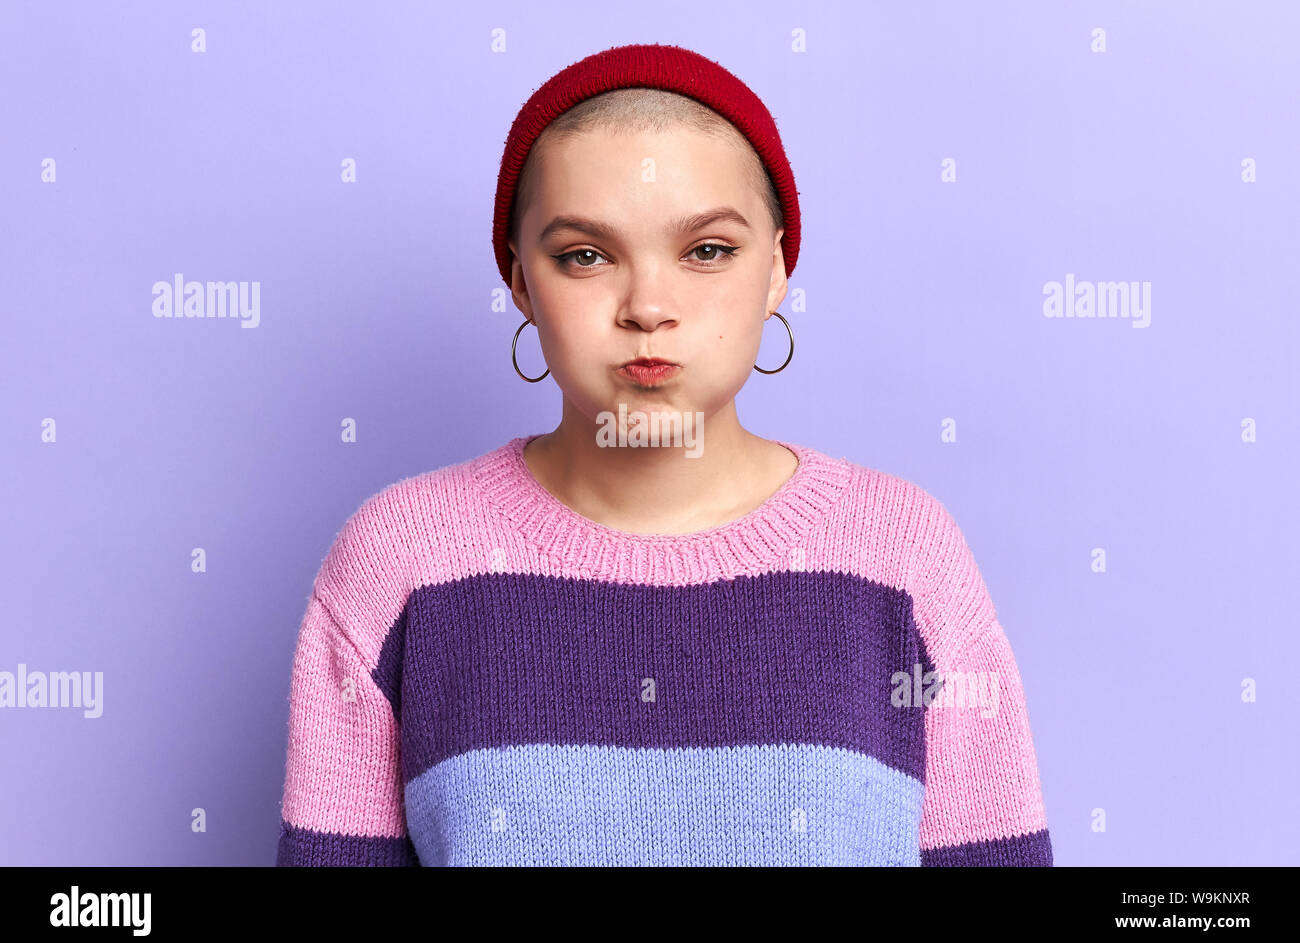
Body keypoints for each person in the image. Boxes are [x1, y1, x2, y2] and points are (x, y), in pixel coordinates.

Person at [275, 42, 1053, 866]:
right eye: (585, 255)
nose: (648, 306)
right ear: (519, 282)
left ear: (778, 269)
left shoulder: (903, 557)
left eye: (707, 250)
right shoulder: (399, 562)